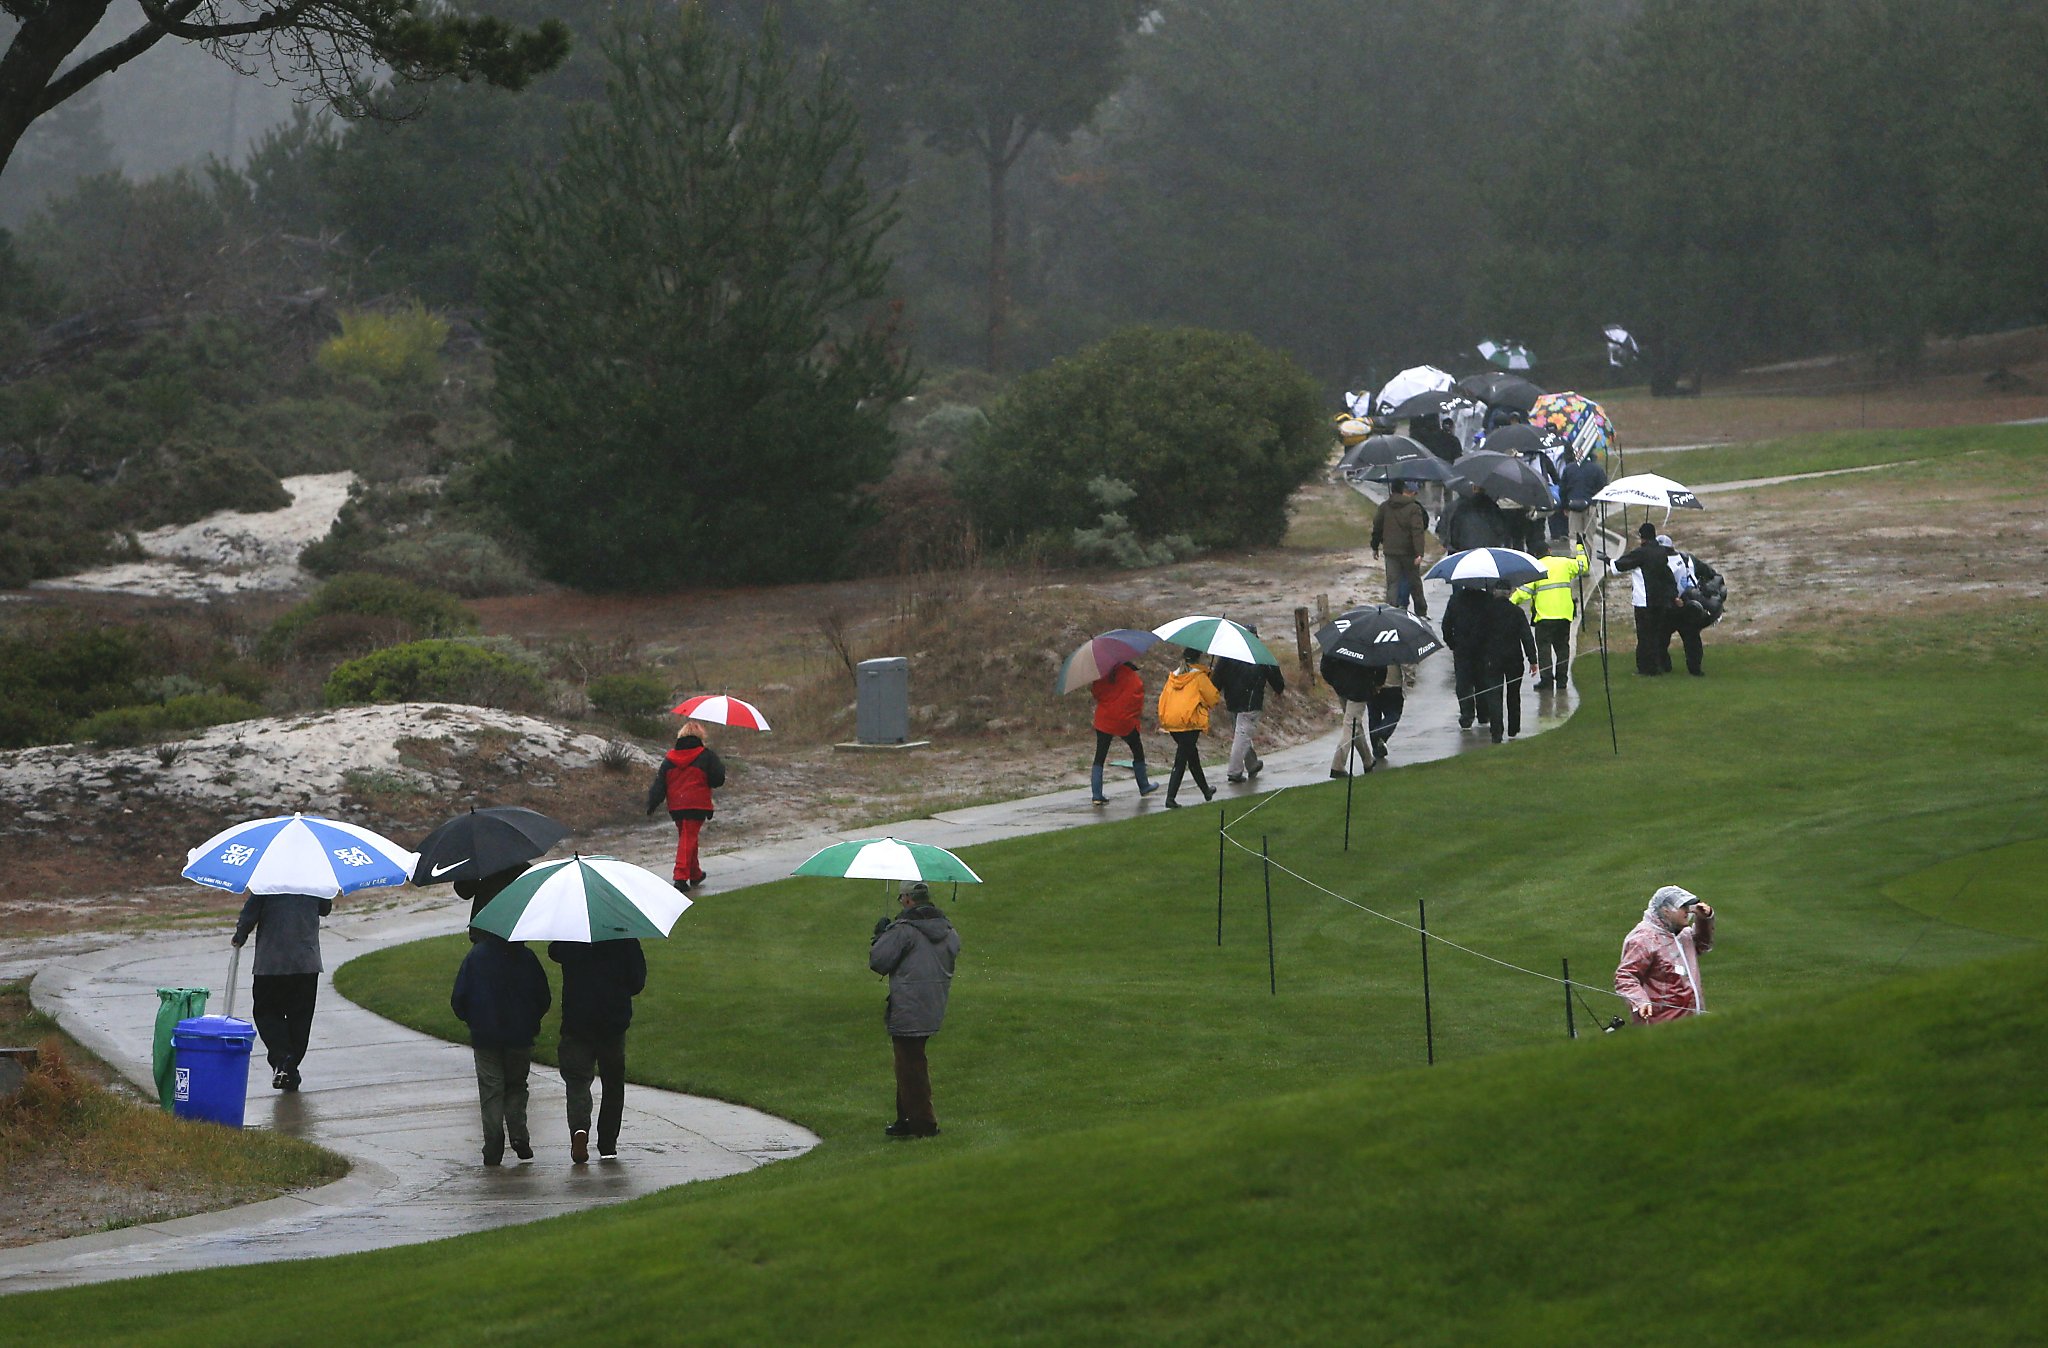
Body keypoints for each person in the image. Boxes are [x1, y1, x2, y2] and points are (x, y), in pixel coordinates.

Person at [450, 929, 551, 1167]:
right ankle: (519, 1135)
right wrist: (530, 1020)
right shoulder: (527, 958)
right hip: (520, 1035)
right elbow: (543, 998)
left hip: (485, 1036)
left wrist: (473, 1020)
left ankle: (493, 1144)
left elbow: (459, 1000)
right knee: (516, 1086)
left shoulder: (476, 957)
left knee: (491, 1090)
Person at [869, 880, 960, 1139]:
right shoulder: (948, 929)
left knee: (911, 1065)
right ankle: (905, 1119)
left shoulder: (904, 930)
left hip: (909, 1005)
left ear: (908, 899)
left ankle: (923, 1125)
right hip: (934, 1002)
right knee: (908, 1061)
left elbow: (878, 961)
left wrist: (881, 937)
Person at [548, 937, 646, 1163]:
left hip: (577, 1021)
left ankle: (579, 1130)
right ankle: (608, 1142)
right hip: (613, 1022)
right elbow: (637, 982)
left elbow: (554, 951)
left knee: (577, 1081)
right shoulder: (624, 938)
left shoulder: (573, 936)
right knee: (612, 1082)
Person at [232, 891, 330, 1092]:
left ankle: (282, 1058)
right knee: (300, 1018)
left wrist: (240, 934)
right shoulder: (315, 881)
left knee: (266, 1013)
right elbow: (325, 908)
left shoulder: (268, 882)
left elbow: (250, 913)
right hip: (305, 963)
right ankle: (289, 1070)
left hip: (271, 963)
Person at [1614, 885, 1717, 1023]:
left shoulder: (1682, 935)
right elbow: (1625, 976)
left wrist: (1705, 919)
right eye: (1682, 907)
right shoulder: (1644, 939)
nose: (1687, 911)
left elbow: (1702, 944)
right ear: (1666, 910)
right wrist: (1640, 1002)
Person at [645, 720, 726, 892]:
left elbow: (660, 784)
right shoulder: (706, 755)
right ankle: (680, 876)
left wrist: (652, 803)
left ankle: (695, 874)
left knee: (687, 837)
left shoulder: (669, 759)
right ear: (700, 736)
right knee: (688, 838)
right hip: (697, 803)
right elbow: (718, 779)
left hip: (676, 805)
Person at [1511, 538, 1589, 689]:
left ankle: (1546, 681)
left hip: (1544, 617)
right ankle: (1562, 681)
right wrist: (1580, 546)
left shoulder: (1535, 569)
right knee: (1562, 649)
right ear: (1549, 551)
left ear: (1535, 555)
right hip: (1564, 615)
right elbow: (1583, 565)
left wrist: (1507, 603)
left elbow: (1523, 593)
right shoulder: (1564, 563)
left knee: (1544, 649)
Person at [1611, 522, 1680, 675]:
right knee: (1657, 634)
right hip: (1660, 600)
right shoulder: (1661, 552)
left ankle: (1646, 668)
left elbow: (1620, 565)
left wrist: (1608, 561)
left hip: (1644, 601)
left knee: (1644, 636)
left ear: (1642, 538)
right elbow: (1667, 575)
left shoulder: (1641, 553)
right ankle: (1658, 665)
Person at [1213, 637, 1285, 784]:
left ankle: (1252, 764)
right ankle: (1234, 771)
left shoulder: (1227, 655)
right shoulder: (1261, 655)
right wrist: (1279, 689)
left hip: (1232, 702)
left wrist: (1213, 694)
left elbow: (1216, 680)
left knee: (1241, 734)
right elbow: (1275, 677)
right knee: (1242, 736)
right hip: (1251, 704)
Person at [1156, 648, 1222, 808]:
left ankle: (1206, 790)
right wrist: (1209, 681)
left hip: (1172, 722)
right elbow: (1213, 698)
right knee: (1181, 760)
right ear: (1198, 659)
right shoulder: (1199, 677)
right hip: (1189, 722)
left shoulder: (1173, 676)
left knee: (1192, 756)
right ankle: (1170, 798)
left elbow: (1164, 698)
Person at [1088, 660, 1158, 803]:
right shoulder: (1130, 675)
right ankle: (1144, 785)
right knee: (1137, 750)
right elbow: (1137, 698)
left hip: (1104, 718)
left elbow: (1096, 693)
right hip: (1124, 720)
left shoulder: (1101, 674)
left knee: (1099, 756)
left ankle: (1096, 795)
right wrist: (1133, 716)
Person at [1479, 583, 1538, 743]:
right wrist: (1533, 659)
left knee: (1494, 695)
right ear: (1510, 593)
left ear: (1494, 592)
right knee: (1513, 693)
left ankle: (1496, 731)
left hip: (1492, 659)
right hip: (1514, 659)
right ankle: (1513, 727)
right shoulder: (1516, 612)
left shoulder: (1485, 612)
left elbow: (1479, 637)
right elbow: (1526, 636)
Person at [1320, 650, 1393, 777]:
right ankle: (1337, 766)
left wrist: (1335, 682)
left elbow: (1325, 666)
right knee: (1350, 726)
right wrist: (1377, 684)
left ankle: (1368, 761)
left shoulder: (1339, 640)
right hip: (1359, 689)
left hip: (1342, 687)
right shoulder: (1369, 642)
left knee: (1355, 726)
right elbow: (1381, 665)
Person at [1370, 480, 1432, 620]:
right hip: (1409, 551)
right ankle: (1421, 612)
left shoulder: (1385, 506)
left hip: (1390, 550)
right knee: (1414, 582)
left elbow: (1377, 527)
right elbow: (1417, 531)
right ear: (1405, 491)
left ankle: (1390, 611)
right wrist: (1419, 552)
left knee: (1392, 582)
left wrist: (1375, 546)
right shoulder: (1413, 508)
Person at [1665, 539, 1723, 677]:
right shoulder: (1687, 558)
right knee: (1692, 639)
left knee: (1662, 636)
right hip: (1690, 605)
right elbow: (1710, 573)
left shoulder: (1660, 563)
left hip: (1672, 606)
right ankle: (1695, 669)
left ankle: (1664, 666)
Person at [1440, 583, 1493, 730]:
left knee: (1463, 683)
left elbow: (1446, 625)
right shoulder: (1488, 599)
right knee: (1483, 681)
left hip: (1462, 648)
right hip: (1483, 648)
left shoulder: (1455, 599)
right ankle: (1484, 714)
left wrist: (1452, 643)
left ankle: (1467, 714)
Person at [1436, 487, 1513, 551]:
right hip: (1488, 551)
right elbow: (1501, 530)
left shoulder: (1461, 508)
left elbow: (1453, 534)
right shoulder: (1493, 508)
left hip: (1466, 551)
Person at [1559, 451, 1608, 543]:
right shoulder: (1597, 469)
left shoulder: (1569, 468)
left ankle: (1576, 555)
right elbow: (1603, 487)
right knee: (1589, 537)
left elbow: (1562, 490)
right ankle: (1587, 556)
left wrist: (1565, 506)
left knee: (1574, 536)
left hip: (1573, 506)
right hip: (1590, 506)